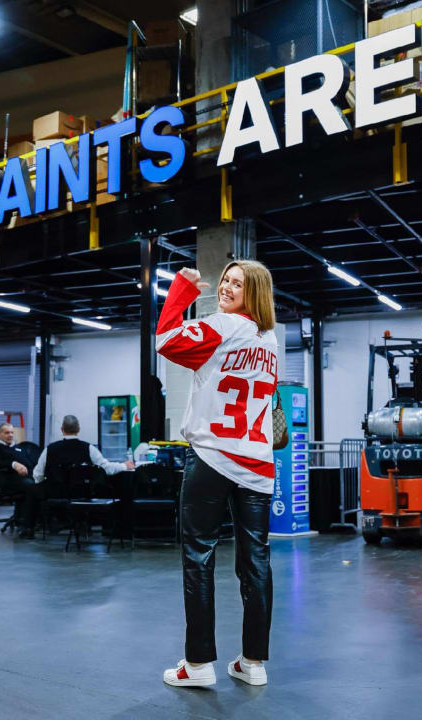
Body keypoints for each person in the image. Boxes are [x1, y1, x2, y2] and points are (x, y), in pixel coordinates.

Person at [155, 261, 278, 689]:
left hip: (211, 456)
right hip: (257, 463)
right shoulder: (270, 341)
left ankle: (198, 664)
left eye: (236, 284)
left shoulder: (222, 326)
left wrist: (181, 290)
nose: (225, 287)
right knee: (256, 562)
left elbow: (166, 340)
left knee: (198, 557)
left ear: (254, 292)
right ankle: (253, 663)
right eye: (225, 280)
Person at [24, 415, 134, 539]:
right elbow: (106, 468)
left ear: (62, 430)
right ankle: (87, 524)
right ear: (78, 429)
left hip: (54, 491)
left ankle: (29, 528)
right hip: (81, 492)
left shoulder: (50, 449)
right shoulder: (89, 448)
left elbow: (38, 474)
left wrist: (42, 483)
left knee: (31, 489)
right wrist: (124, 465)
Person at [0, 423, 39, 530]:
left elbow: (29, 464)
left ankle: (34, 520)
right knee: (31, 486)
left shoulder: (18, 448)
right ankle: (27, 523)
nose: (10, 435)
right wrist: (13, 464)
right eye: (7, 433)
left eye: (12, 432)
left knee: (38, 485)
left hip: (25, 479)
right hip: (7, 481)